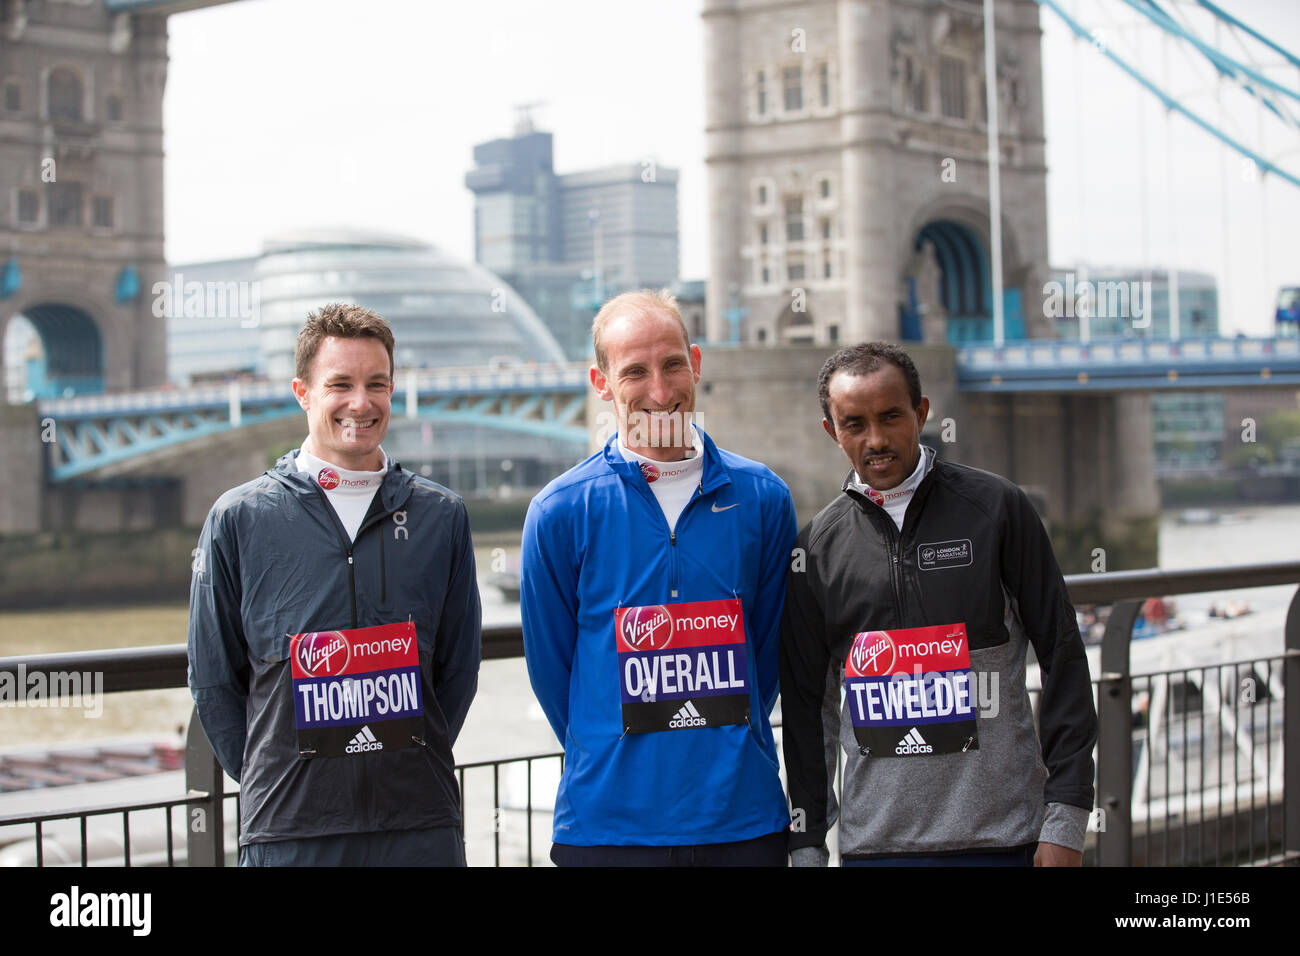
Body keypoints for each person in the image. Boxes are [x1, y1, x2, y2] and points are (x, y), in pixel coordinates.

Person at [780, 342, 1098, 866]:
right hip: (876, 850)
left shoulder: (998, 509)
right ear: (831, 431)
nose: (876, 440)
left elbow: (1063, 654)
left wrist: (1066, 819)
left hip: (1005, 840)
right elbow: (808, 710)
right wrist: (809, 843)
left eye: (890, 417)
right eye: (854, 424)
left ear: (922, 412)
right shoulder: (813, 550)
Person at [187, 303, 481, 866]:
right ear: (302, 391)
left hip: (417, 824)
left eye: (377, 385)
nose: (360, 403)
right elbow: (214, 681)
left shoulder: (440, 517)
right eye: (339, 384)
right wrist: (275, 775)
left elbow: (458, 671)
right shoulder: (239, 519)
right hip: (290, 830)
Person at [520, 289, 798, 866]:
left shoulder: (764, 497)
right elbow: (552, 669)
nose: (661, 391)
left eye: (673, 364)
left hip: (740, 822)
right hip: (607, 830)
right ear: (600, 382)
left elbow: (767, 655)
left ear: (696, 362)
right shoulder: (559, 511)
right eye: (634, 372)